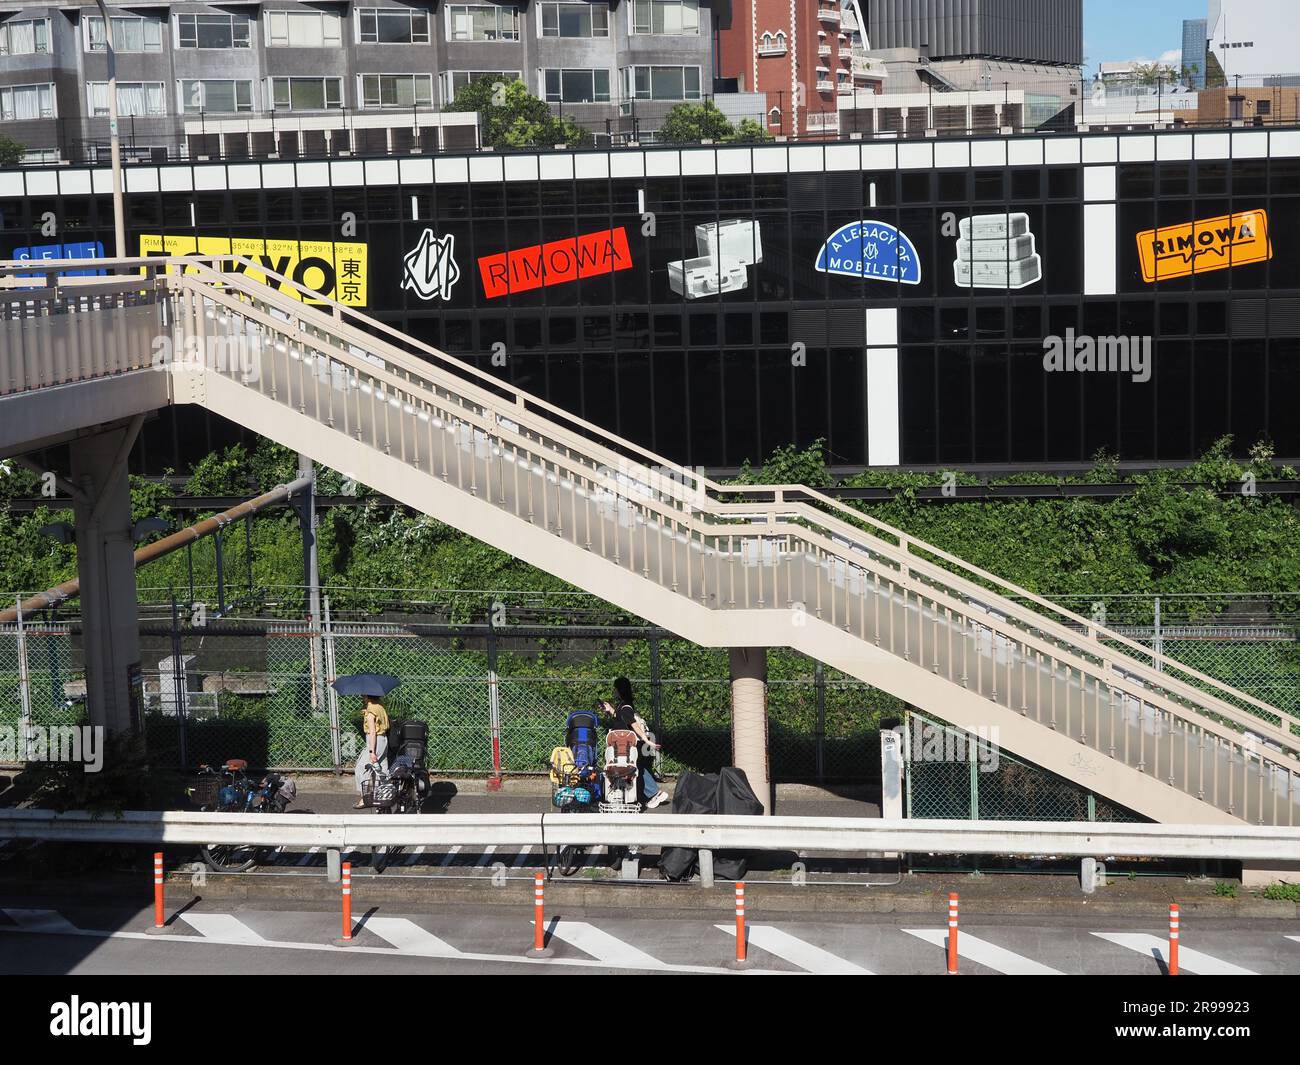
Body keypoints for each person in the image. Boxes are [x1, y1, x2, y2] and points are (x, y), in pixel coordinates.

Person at [600, 676, 668, 809]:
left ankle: (655, 793)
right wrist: (611, 710)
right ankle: (653, 793)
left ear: (619, 690)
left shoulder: (625, 707)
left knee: (634, 768)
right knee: (636, 767)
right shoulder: (623, 705)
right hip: (624, 744)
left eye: (615, 688)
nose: (614, 690)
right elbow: (620, 718)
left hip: (625, 744)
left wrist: (647, 740)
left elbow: (634, 724)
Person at [353, 694, 390, 808]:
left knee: (362, 768)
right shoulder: (380, 707)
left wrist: (371, 751)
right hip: (383, 740)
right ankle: (386, 794)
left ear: (367, 697)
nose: (362, 698)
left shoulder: (370, 712)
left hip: (374, 741)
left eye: (363, 696)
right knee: (382, 767)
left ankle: (366, 798)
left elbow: (372, 732)